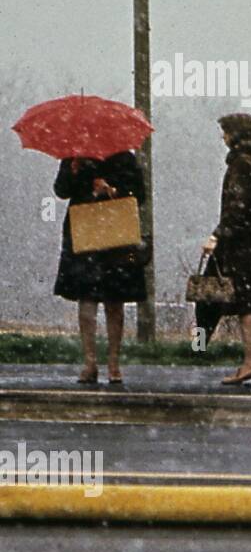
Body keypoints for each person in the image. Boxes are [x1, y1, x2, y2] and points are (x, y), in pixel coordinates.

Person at [53, 151, 149, 384]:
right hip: (84, 231)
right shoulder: (74, 156)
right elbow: (61, 190)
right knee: (87, 300)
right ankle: (90, 362)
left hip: (115, 232)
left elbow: (140, 194)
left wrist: (113, 190)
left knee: (114, 301)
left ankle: (113, 363)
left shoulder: (124, 158)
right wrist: (79, 177)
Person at [201, 113, 251, 386]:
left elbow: (238, 207)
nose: (223, 137)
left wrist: (217, 235)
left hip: (245, 247)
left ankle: (249, 362)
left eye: (225, 132)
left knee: (245, 303)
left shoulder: (240, 165)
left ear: (236, 135)